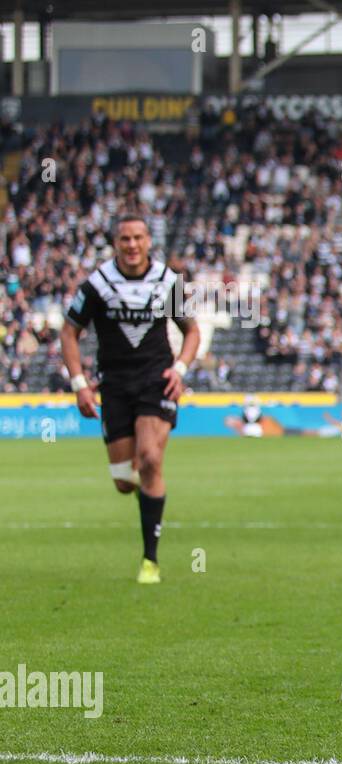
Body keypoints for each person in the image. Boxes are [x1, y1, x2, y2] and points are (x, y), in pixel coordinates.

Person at [59, 213, 200, 584]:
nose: (133, 245)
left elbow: (192, 331)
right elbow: (69, 331)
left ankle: (150, 561)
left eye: (139, 238)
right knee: (125, 481)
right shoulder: (98, 283)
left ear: (149, 241)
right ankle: (149, 500)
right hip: (115, 386)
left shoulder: (167, 281)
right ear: (116, 243)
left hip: (157, 381)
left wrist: (180, 370)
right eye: (125, 239)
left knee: (151, 458)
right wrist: (79, 384)